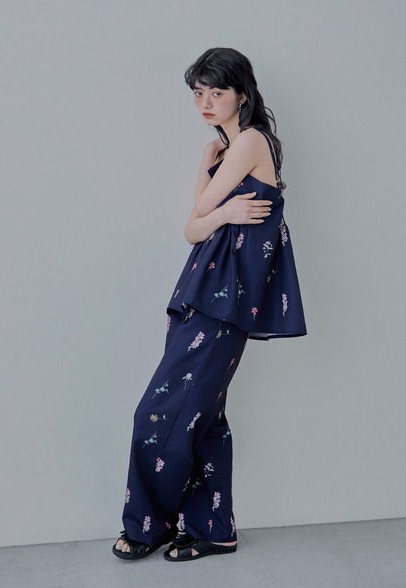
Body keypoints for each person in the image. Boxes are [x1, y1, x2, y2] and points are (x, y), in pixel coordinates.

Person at [112, 48, 306, 562]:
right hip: (203, 294)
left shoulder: (250, 141)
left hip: (223, 304)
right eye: (198, 92)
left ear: (242, 94)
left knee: (157, 413)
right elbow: (193, 229)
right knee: (205, 419)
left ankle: (147, 526)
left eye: (216, 92)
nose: (205, 102)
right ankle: (214, 529)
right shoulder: (221, 149)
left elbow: (201, 209)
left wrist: (212, 203)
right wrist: (217, 197)